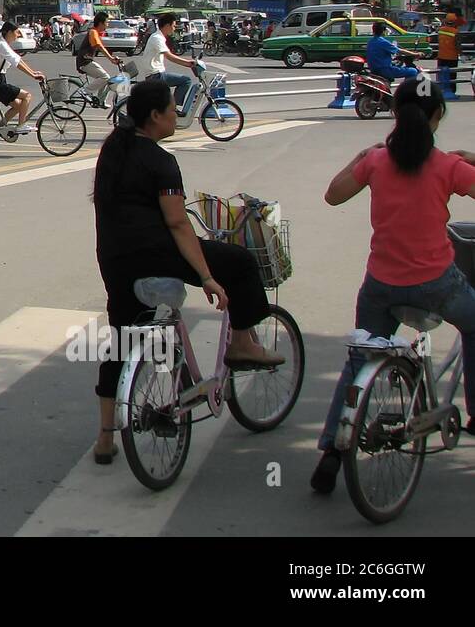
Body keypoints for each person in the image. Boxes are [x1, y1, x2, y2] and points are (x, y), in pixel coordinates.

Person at [92, 80, 284, 464]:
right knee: (240, 262)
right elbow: (179, 224)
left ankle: (105, 438)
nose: (178, 114)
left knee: (123, 338)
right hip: (157, 256)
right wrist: (208, 276)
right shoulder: (162, 162)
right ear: (155, 116)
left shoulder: (114, 148)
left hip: (114, 259)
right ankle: (243, 343)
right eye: (173, 108)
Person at [310, 78, 475, 493]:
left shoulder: (376, 161)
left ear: (395, 114)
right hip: (437, 283)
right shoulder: (449, 166)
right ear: (437, 117)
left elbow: (333, 196)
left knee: (360, 359)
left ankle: (332, 448)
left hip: (381, 285)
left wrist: (360, 158)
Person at [0, 21, 47, 134]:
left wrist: (33, 72)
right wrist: (33, 75)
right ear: (9, 32)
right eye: (17, 32)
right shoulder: (1, 45)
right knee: (27, 96)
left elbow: (18, 59)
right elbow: (16, 63)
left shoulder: (4, 44)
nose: (18, 35)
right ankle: (21, 125)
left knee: (19, 105)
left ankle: (0, 127)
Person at [144, 13, 197, 109]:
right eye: (173, 26)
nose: (174, 28)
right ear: (167, 25)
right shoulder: (157, 38)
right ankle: (176, 108)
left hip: (156, 74)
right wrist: (188, 63)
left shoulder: (158, 37)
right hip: (156, 76)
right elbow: (169, 56)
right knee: (186, 81)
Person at [76, 11, 122, 107]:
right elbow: (99, 46)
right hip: (84, 62)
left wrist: (111, 58)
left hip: (87, 61)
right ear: (101, 23)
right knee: (105, 77)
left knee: (106, 78)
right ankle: (84, 91)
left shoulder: (95, 32)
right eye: (106, 22)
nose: (107, 24)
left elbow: (100, 46)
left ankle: (101, 100)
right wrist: (111, 59)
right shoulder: (93, 32)